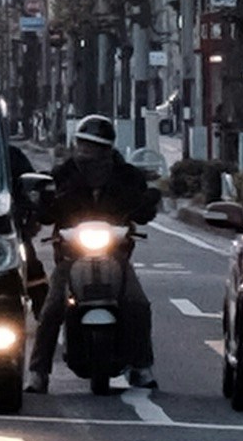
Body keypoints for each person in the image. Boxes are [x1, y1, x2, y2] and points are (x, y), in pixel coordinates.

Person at [28, 110, 157, 388]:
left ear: (108, 150)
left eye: (97, 148)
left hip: (115, 255)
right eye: (84, 145)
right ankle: (38, 372)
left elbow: (142, 207)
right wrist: (44, 202)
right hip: (71, 256)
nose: (89, 153)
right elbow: (46, 211)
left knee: (137, 303)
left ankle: (143, 366)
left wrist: (148, 201)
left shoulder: (127, 176)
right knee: (52, 308)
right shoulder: (62, 175)